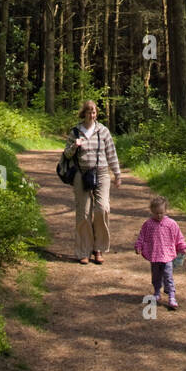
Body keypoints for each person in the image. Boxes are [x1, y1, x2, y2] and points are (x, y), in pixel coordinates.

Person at [63, 100, 121, 264]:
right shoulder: (75, 131)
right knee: (84, 213)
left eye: (94, 112)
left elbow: (111, 153)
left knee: (102, 208)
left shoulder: (103, 131)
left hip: (102, 173)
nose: (91, 114)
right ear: (84, 113)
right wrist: (75, 145)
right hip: (81, 174)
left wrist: (117, 174)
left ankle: (99, 249)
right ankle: (84, 251)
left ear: (96, 113)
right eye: (88, 112)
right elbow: (66, 154)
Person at [134, 194, 186, 310]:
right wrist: (138, 246)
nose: (159, 215)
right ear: (151, 211)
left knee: (168, 275)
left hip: (167, 255)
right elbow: (142, 237)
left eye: (161, 213)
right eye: (156, 213)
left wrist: (182, 247)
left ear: (166, 211)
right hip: (154, 255)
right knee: (156, 276)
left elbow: (179, 237)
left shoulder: (171, 224)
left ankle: (172, 296)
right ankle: (157, 291)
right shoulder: (148, 224)